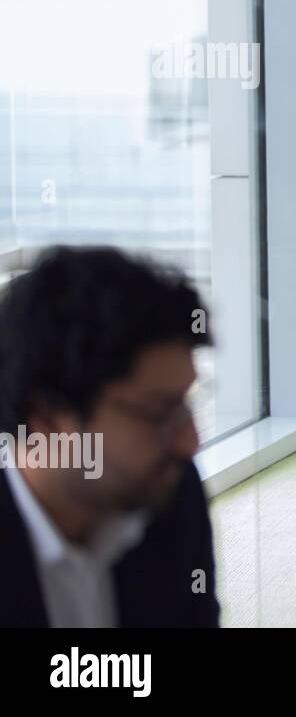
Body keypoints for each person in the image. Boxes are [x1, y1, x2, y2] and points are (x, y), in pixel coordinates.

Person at [0, 246, 220, 627]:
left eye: (185, 405)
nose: (191, 442)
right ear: (48, 420)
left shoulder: (170, 497)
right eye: (158, 415)